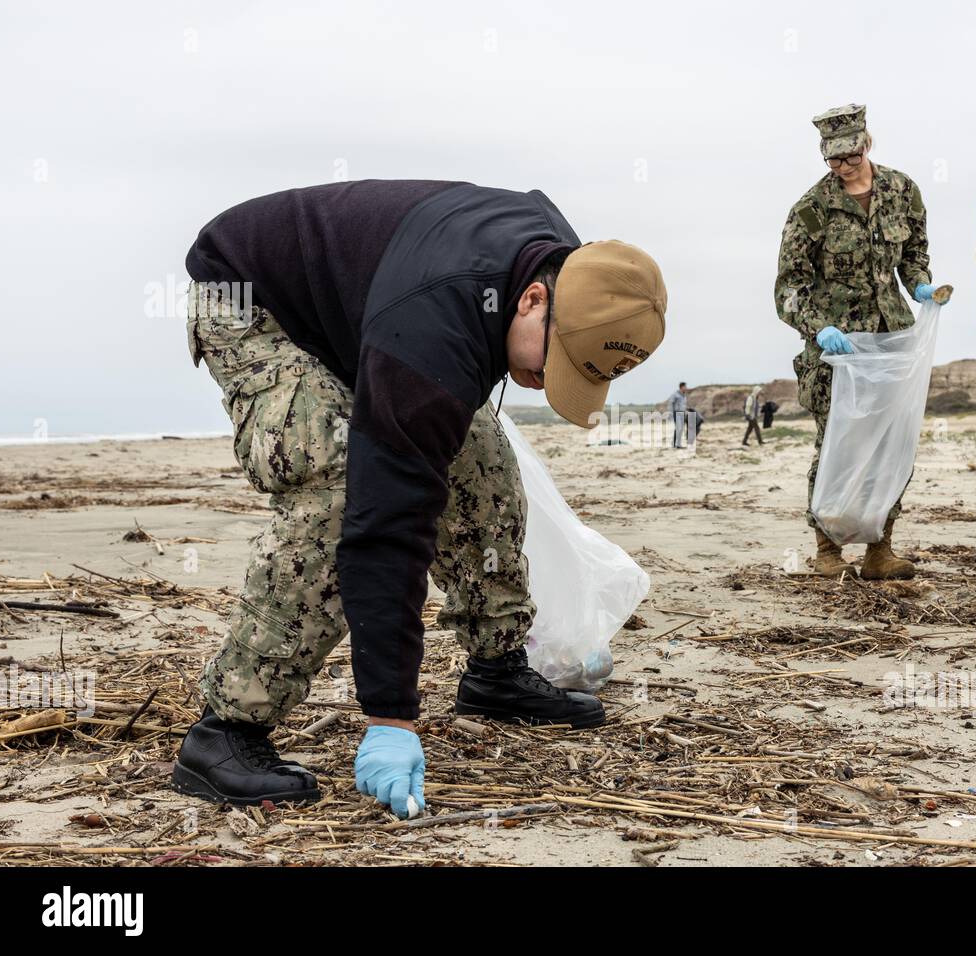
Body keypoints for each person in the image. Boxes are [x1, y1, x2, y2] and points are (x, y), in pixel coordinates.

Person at [172, 180, 666, 817]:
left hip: (374, 309)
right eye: (555, 363)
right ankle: (225, 732)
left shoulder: (573, 274)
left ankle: (496, 669)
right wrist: (392, 718)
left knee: (485, 469)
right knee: (339, 488)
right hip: (255, 300)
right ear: (533, 299)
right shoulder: (434, 324)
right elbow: (385, 525)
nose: (546, 382)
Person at [775, 103, 949, 579]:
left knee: (891, 446)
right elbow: (788, 288)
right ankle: (828, 547)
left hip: (890, 341)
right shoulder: (811, 211)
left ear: (866, 143)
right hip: (838, 349)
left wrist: (921, 287)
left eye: (850, 155)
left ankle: (880, 547)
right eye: (832, 158)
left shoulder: (902, 192)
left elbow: (914, 255)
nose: (842, 166)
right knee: (838, 445)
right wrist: (818, 327)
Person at [665, 382, 689, 448]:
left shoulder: (684, 396)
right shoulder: (675, 394)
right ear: (682, 387)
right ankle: (677, 444)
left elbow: (684, 405)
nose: (686, 388)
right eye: (685, 387)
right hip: (677, 413)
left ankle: (674, 444)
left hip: (682, 413)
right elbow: (670, 403)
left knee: (680, 429)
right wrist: (671, 413)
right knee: (679, 428)